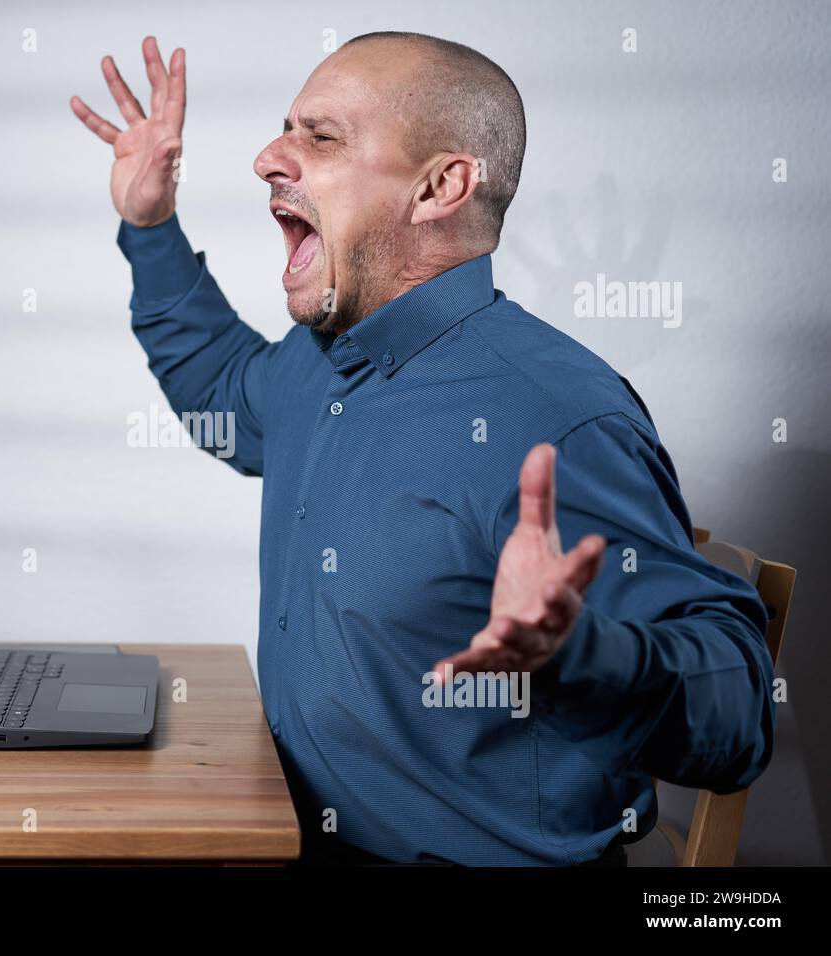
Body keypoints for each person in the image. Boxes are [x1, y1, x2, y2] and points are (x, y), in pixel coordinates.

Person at [70, 32, 775, 865]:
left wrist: (580, 655)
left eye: (320, 137)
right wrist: (150, 226)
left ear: (440, 186)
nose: (267, 157)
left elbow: (738, 711)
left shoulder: (557, 417)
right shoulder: (319, 357)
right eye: (284, 129)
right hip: (290, 834)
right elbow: (224, 393)